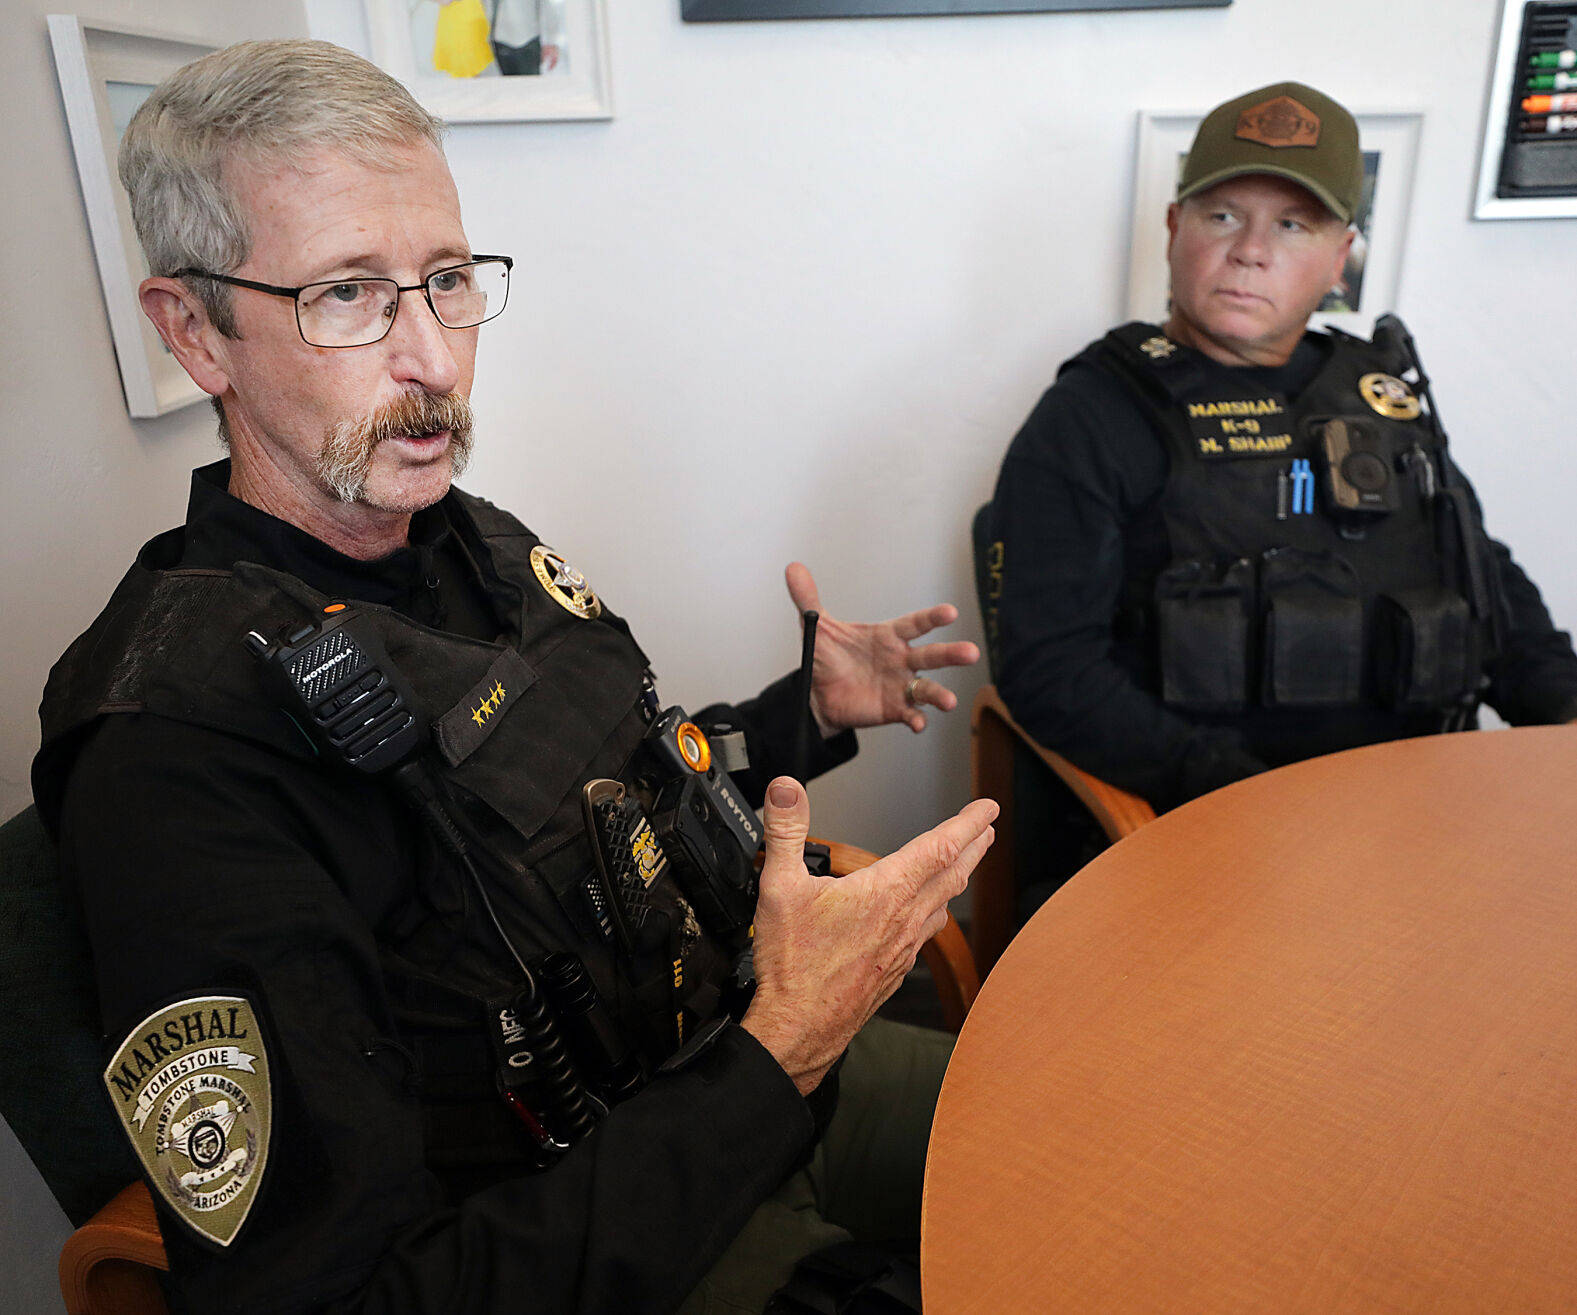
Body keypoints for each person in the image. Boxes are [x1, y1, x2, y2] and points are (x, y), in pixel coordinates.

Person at [32, 40, 996, 1315]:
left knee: (1097, 1126)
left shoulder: (460, 541)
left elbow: (593, 821)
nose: (431, 359)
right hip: (605, 1210)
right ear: (195, 333)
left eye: (444, 281)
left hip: (727, 1066)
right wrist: (785, 1048)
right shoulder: (178, 753)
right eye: (347, 296)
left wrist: (798, 716)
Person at [990, 80, 1577, 828]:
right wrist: (1235, 792)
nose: (1250, 252)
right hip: (1210, 822)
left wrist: (1562, 706)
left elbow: (1480, 575)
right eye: (1223, 215)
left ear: (1341, 259)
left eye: (1293, 225)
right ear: (1175, 227)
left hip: (1414, 808)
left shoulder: (1380, 392)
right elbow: (1049, 672)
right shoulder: (1092, 415)